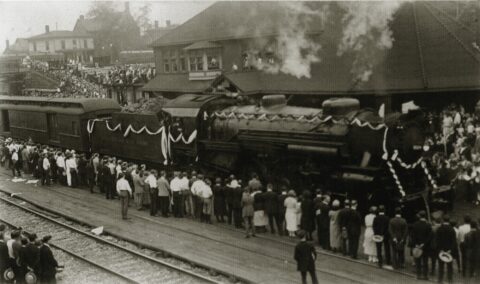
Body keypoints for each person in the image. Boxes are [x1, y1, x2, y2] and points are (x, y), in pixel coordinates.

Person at [411, 210, 433, 280]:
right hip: (425, 247)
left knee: (418, 261)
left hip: (417, 246)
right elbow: (430, 236)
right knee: (425, 261)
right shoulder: (428, 225)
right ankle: (425, 276)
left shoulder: (415, 224)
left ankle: (418, 275)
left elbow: (413, 236)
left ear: (419, 216)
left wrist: (416, 244)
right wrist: (424, 244)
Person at [436, 215, 458, 283]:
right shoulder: (452, 229)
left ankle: (440, 280)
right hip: (449, 251)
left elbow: (437, 240)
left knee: (441, 266)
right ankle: (450, 280)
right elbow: (454, 241)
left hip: (441, 250)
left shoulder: (439, 229)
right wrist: (450, 250)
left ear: (443, 220)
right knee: (449, 266)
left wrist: (440, 249)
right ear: (449, 220)